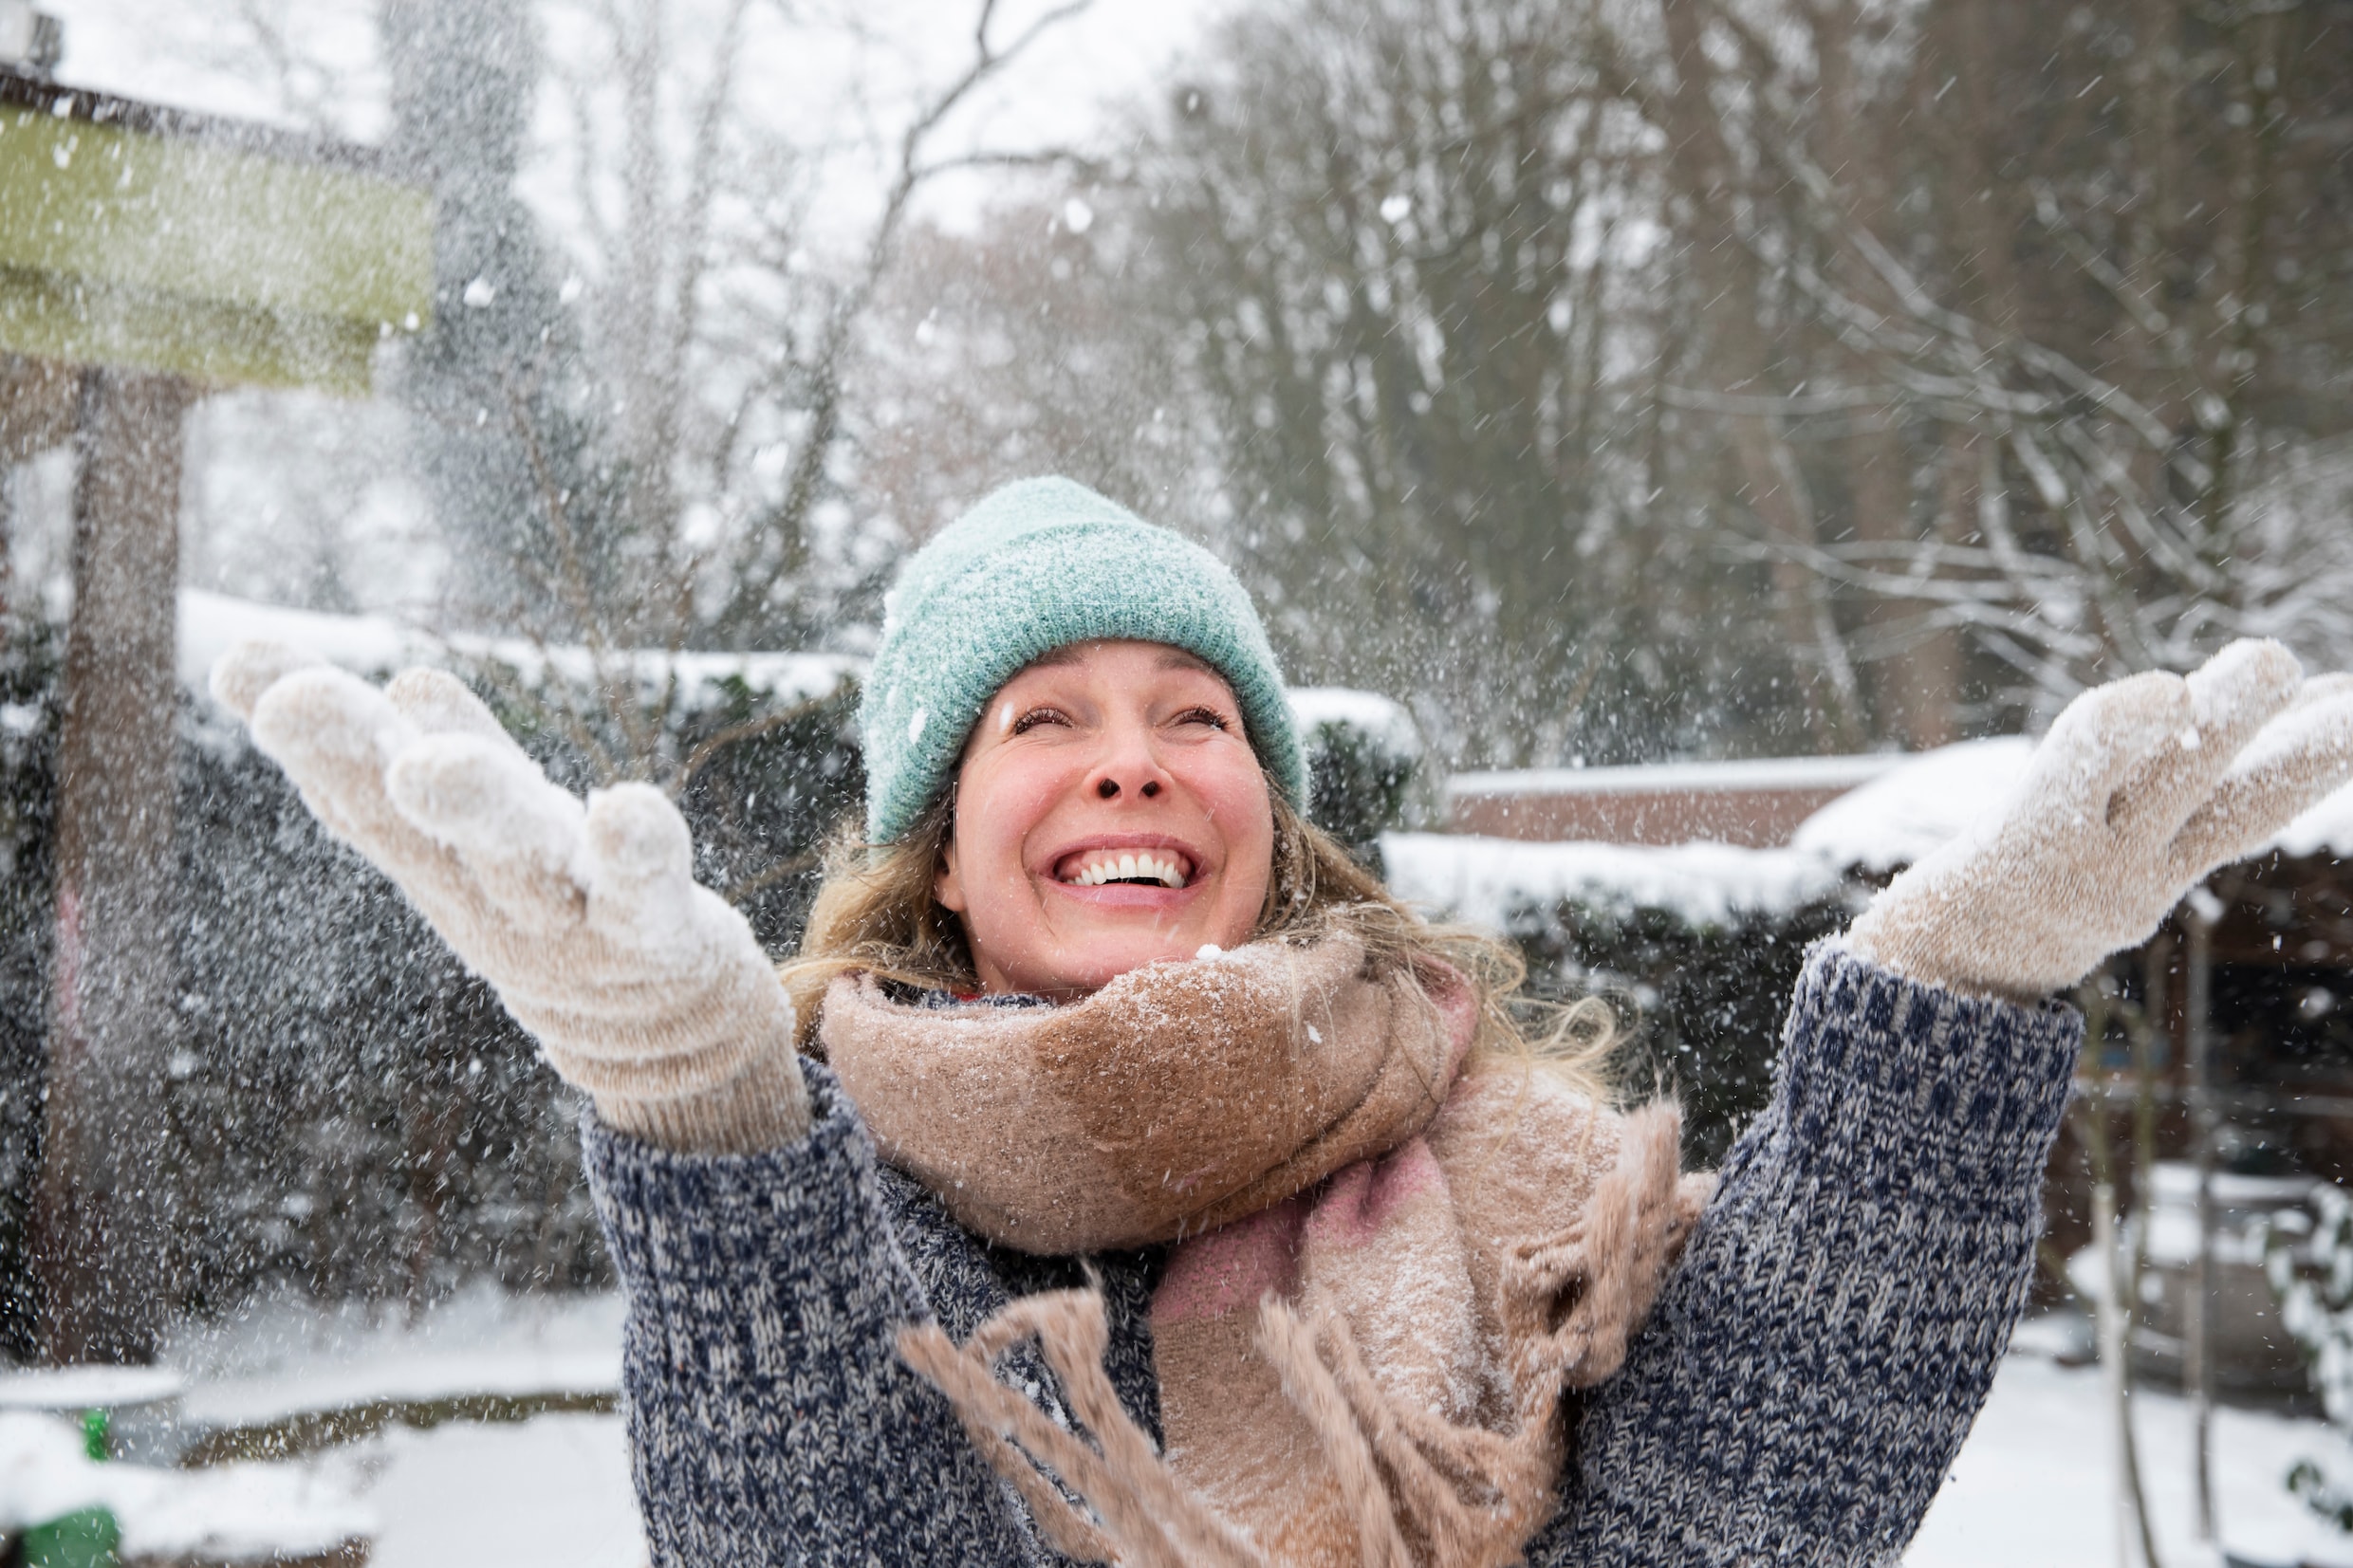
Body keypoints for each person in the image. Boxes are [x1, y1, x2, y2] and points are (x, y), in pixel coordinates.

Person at [211, 477, 2353, 1567]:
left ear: (1274, 820)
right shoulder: (820, 1220)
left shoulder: (1505, 1171)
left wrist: (1950, 990)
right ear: (940, 854)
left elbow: (1753, 1505)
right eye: (1040, 721)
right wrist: (695, 1111)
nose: (1130, 759)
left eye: (1196, 715)